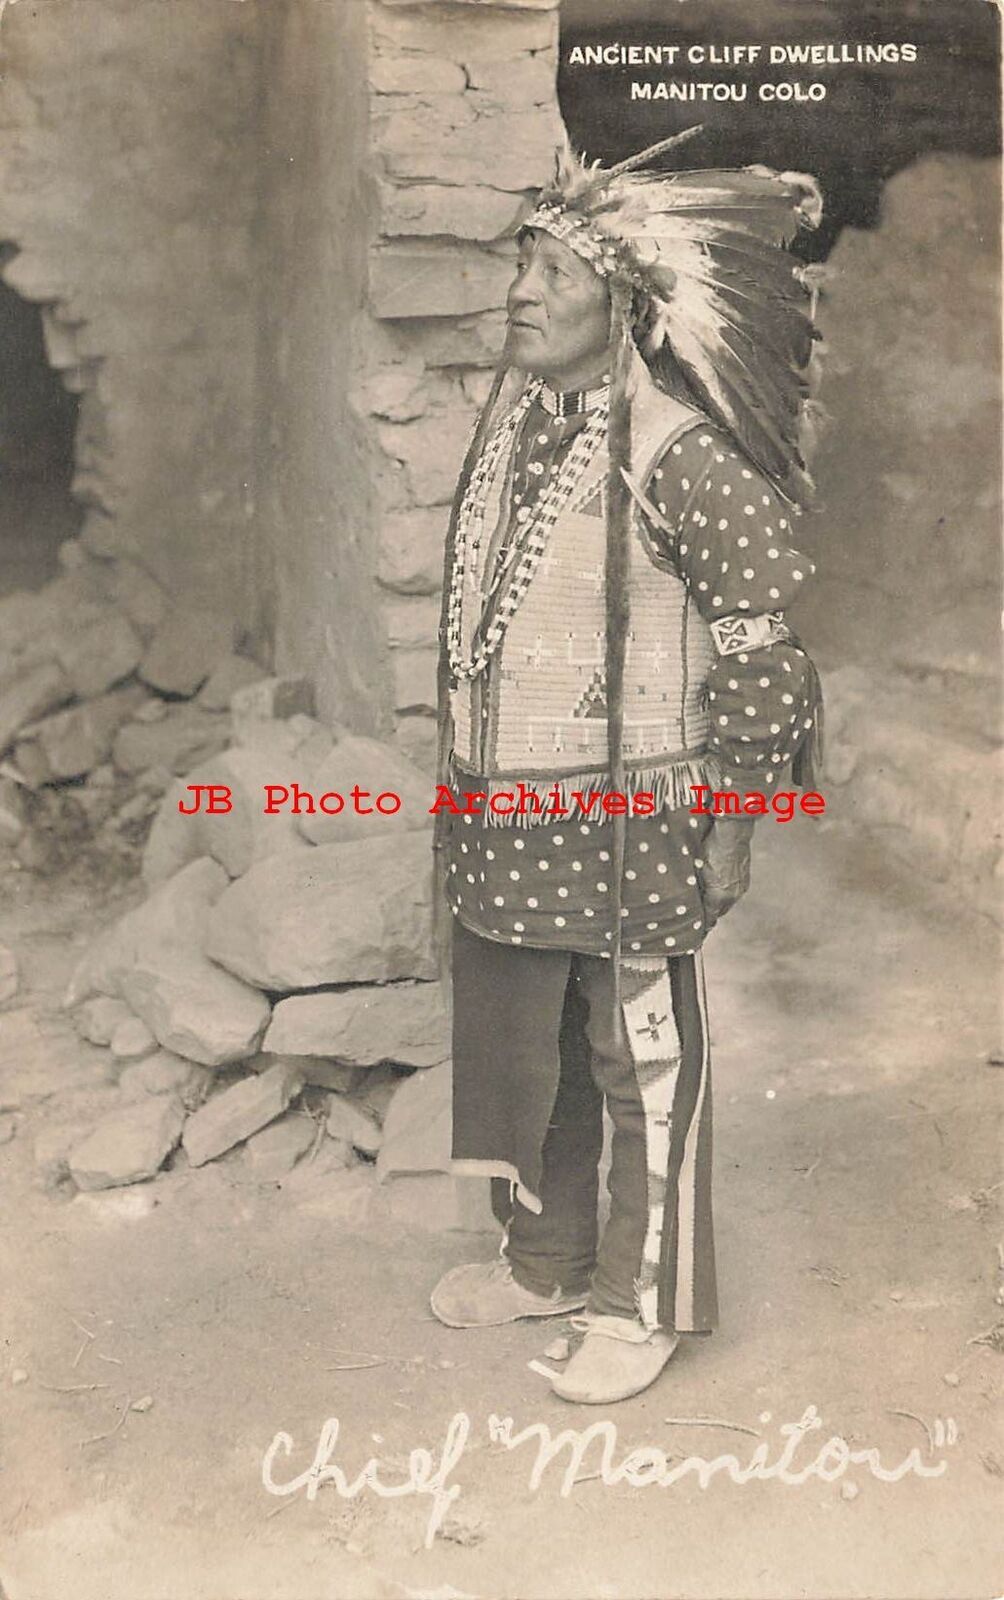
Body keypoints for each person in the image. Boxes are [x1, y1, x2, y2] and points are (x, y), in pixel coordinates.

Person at [428, 132, 824, 1404]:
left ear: (626, 309)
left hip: (635, 823)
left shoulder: (681, 459)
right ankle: (540, 1260)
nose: (521, 293)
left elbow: (763, 641)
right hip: (503, 817)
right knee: (520, 1045)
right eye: (521, 267)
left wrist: (736, 815)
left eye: (552, 273)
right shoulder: (511, 433)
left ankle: (636, 1296)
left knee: (635, 1057)